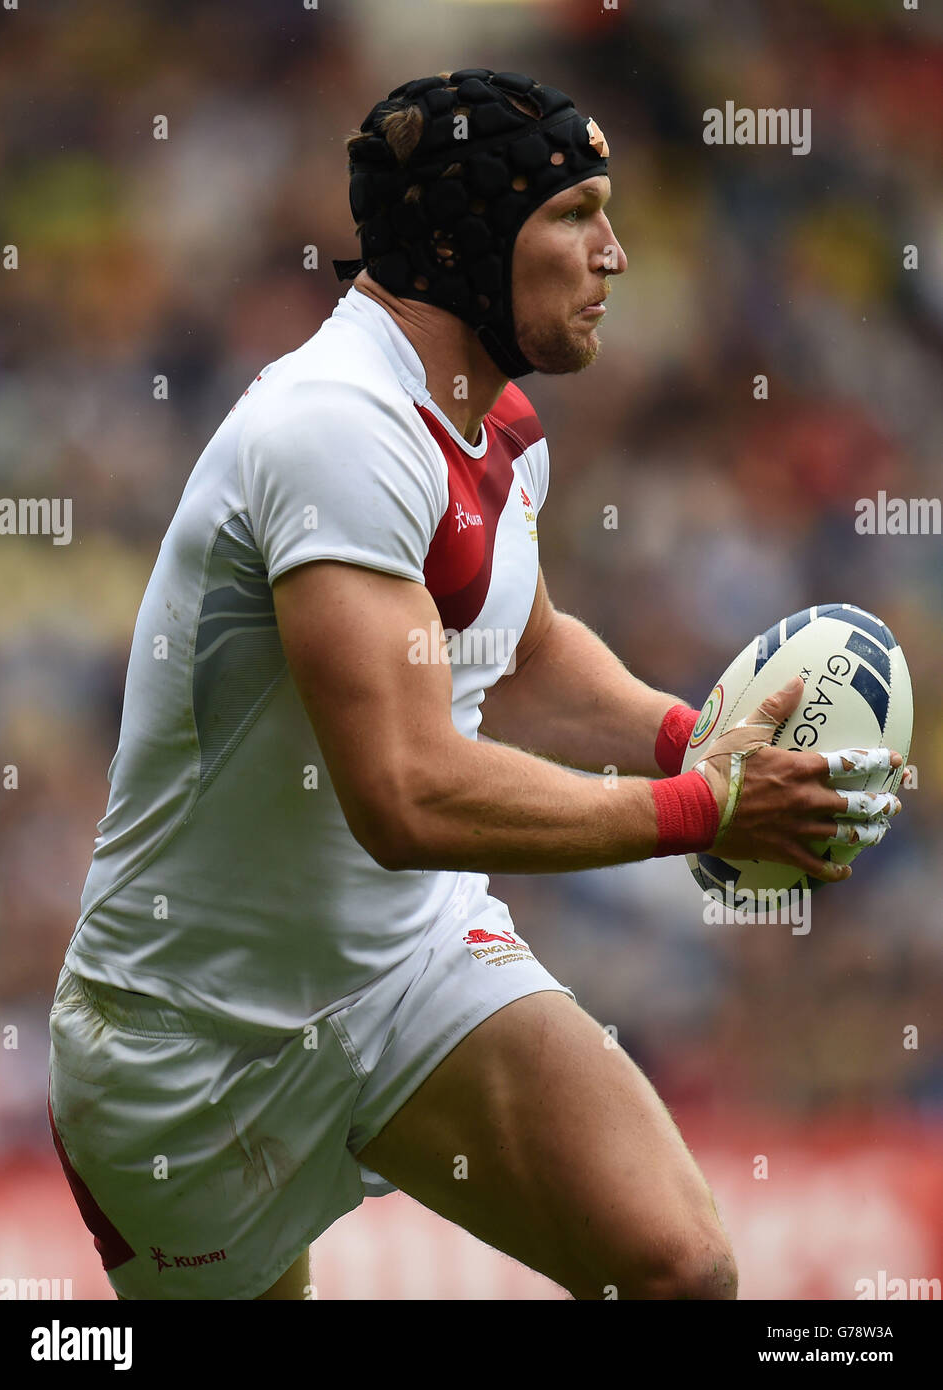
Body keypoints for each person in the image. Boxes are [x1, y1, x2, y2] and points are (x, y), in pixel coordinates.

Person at [47, 68, 903, 1301]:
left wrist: (695, 739)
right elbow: (403, 796)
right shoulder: (333, 425)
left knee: (679, 1271)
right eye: (576, 214)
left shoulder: (495, 422)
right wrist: (703, 811)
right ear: (467, 239)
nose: (614, 255)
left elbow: (527, 651)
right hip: (187, 1040)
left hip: (407, 972)